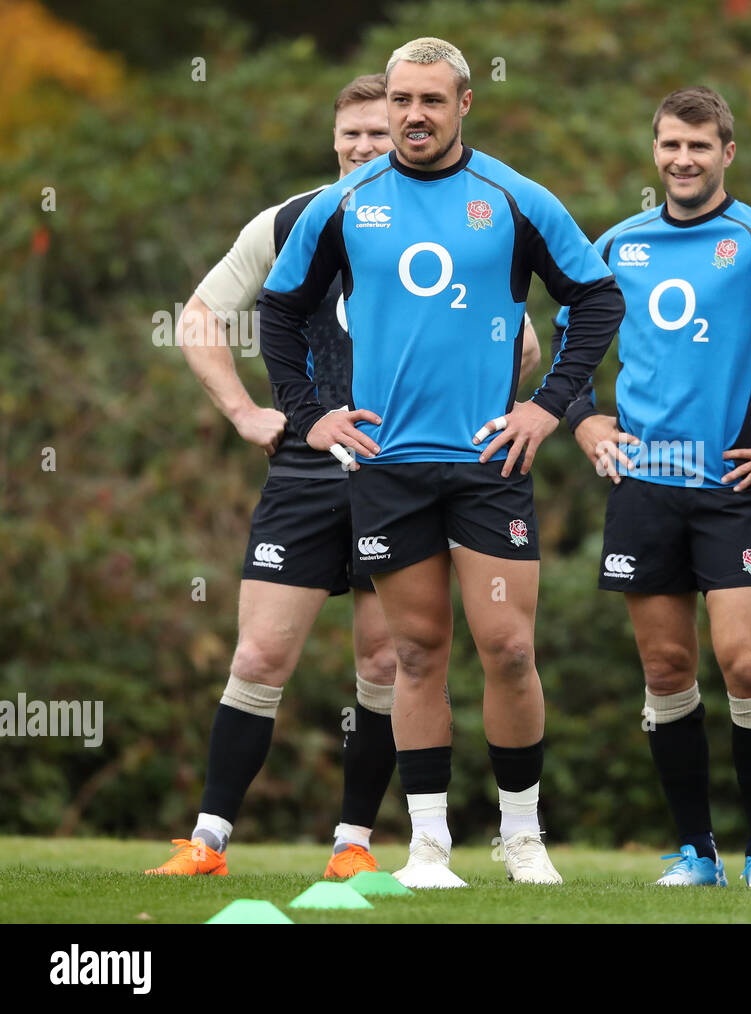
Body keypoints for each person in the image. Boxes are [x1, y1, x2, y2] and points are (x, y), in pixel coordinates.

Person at [146, 72, 543, 880]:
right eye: (354, 134)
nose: (368, 145)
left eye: (380, 132)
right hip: (304, 466)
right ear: (335, 139)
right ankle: (208, 842)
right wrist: (246, 413)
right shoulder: (292, 219)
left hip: (402, 469)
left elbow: (526, 343)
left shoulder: (448, 216)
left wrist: (481, 411)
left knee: (386, 663)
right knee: (258, 657)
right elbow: (199, 315)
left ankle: (353, 845)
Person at [258, 38, 623, 888]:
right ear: (384, 106)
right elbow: (279, 312)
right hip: (385, 467)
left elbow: (597, 297)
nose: (413, 115)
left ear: (465, 104)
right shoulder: (344, 204)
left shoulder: (514, 198)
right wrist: (310, 418)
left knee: (507, 648)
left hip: (487, 463)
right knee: (417, 655)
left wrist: (548, 405)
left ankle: (524, 836)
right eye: (400, 100)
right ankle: (428, 846)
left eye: (431, 99)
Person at [546, 86, 751, 889]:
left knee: (745, 663)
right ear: (654, 151)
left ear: (727, 153)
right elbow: (573, 340)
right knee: (665, 670)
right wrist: (585, 420)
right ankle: (698, 854)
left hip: (732, 488)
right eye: (670, 146)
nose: (683, 160)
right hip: (643, 490)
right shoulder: (618, 242)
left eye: (699, 146)